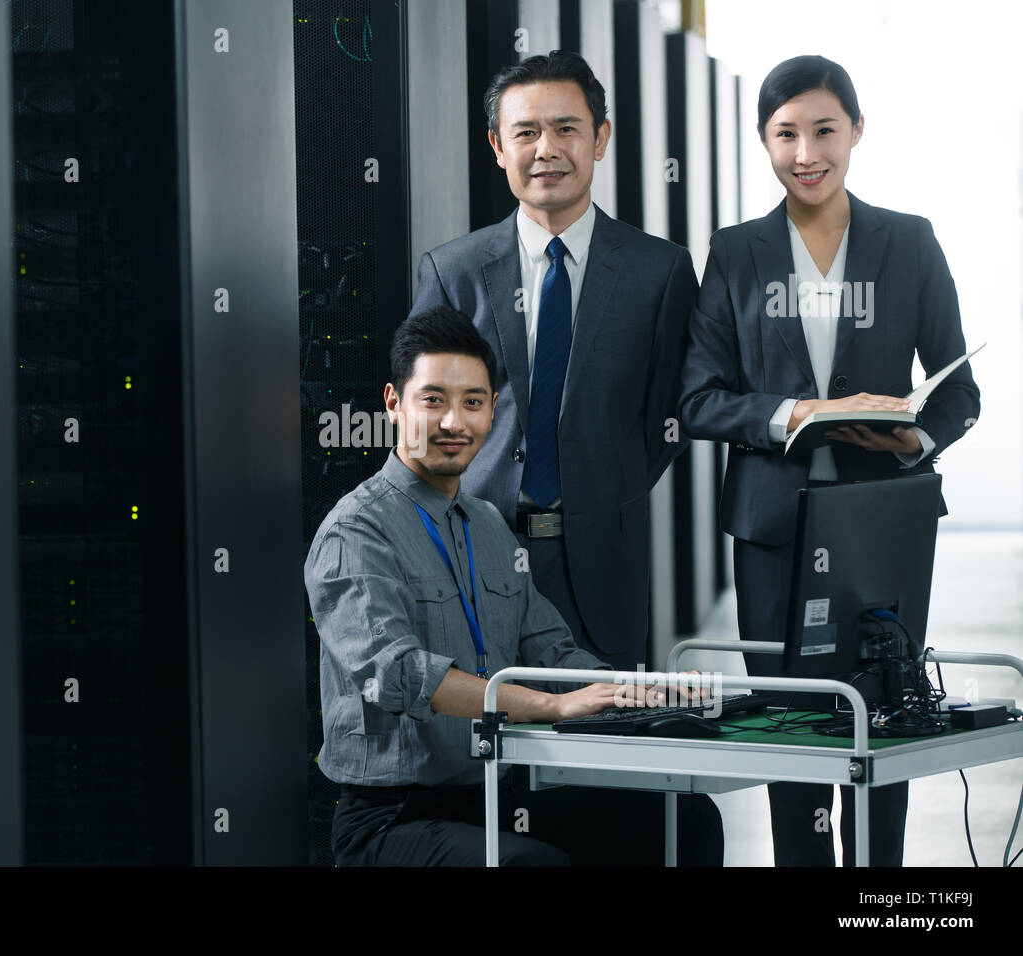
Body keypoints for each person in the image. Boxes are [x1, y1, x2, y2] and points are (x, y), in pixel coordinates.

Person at [678, 55, 981, 866]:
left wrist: (913, 438)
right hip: (772, 531)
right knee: (791, 725)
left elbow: (959, 391)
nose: (806, 153)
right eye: (786, 135)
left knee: (886, 718)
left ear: (857, 131)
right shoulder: (736, 252)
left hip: (882, 525)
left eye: (824, 130)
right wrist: (792, 415)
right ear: (763, 140)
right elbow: (698, 399)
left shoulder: (908, 242)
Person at [305, 306, 724, 866]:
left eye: (473, 402)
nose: (454, 422)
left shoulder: (488, 525)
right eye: (433, 400)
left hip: (494, 796)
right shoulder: (355, 530)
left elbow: (551, 651)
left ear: (493, 409)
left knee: (682, 818)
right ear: (393, 403)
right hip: (393, 816)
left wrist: (641, 690)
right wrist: (549, 706)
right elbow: (397, 674)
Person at [407, 50, 695, 672]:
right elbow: (423, 417)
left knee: (599, 726)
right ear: (497, 145)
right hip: (472, 551)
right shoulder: (452, 271)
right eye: (526, 133)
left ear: (600, 139)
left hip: (601, 558)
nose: (547, 149)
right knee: (483, 725)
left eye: (567, 128)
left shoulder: (660, 271)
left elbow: (669, 418)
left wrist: (598, 485)